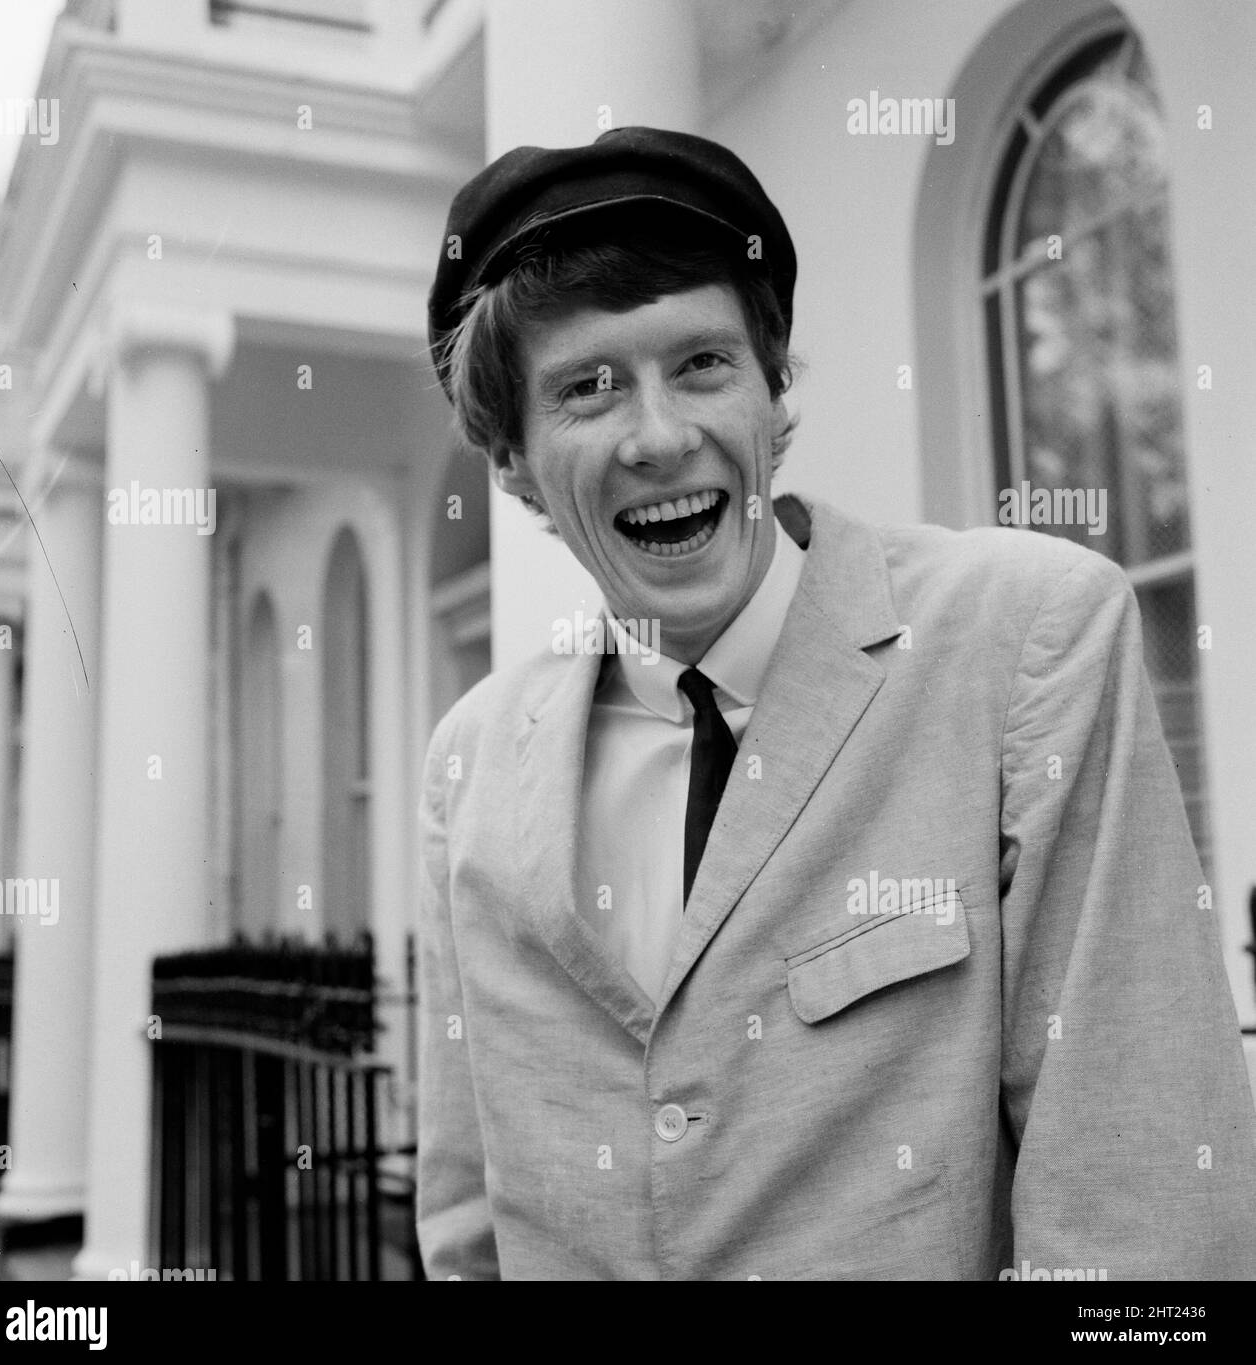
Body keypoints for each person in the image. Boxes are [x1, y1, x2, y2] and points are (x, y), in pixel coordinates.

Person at [414, 125, 1256, 1280]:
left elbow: (1141, 1195)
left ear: (773, 392)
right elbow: (466, 1224)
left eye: (702, 363)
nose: (660, 436)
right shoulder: (468, 764)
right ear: (511, 460)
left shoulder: (1024, 637)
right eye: (588, 388)